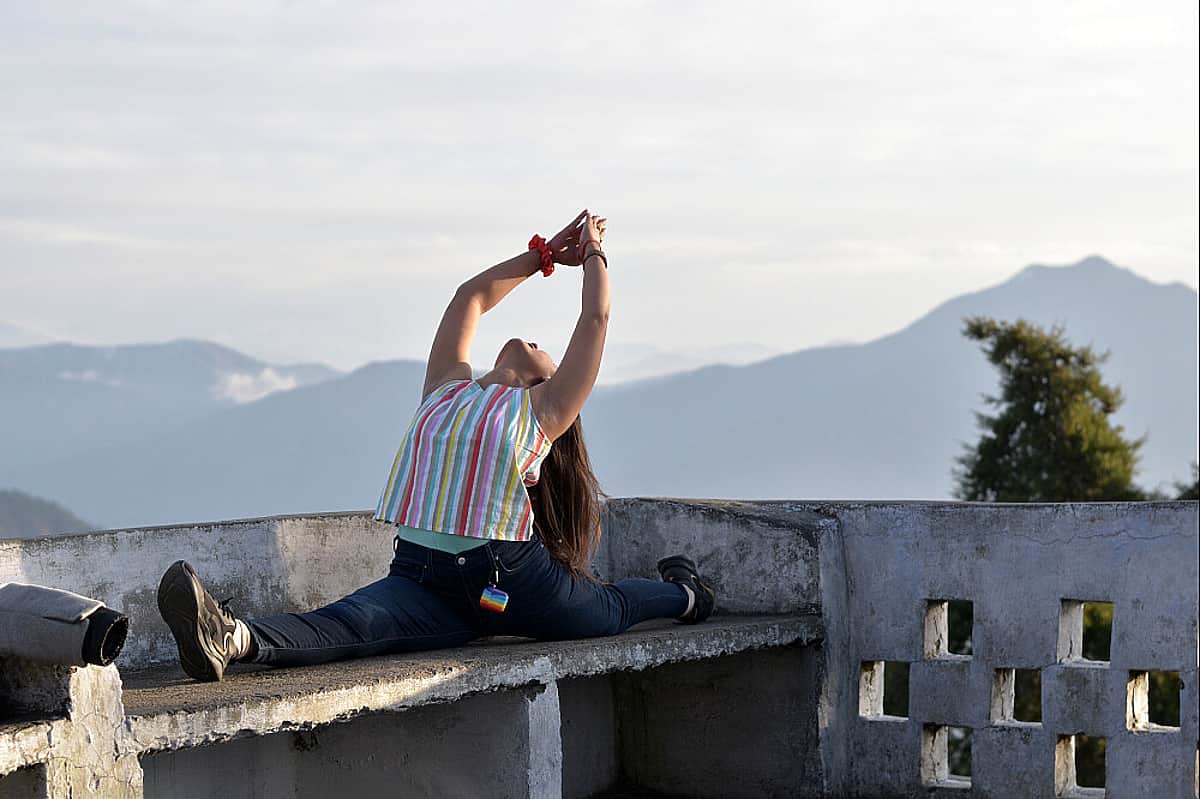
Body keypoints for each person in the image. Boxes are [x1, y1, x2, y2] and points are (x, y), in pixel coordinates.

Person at [156, 209, 716, 682]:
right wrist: (546, 255)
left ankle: (687, 594)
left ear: (553, 380)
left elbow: (595, 319)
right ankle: (230, 639)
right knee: (352, 625)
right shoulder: (446, 390)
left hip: (509, 575)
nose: (541, 343)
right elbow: (469, 297)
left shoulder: (542, 412)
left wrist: (594, 252)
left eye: (549, 354)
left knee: (612, 609)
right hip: (422, 570)